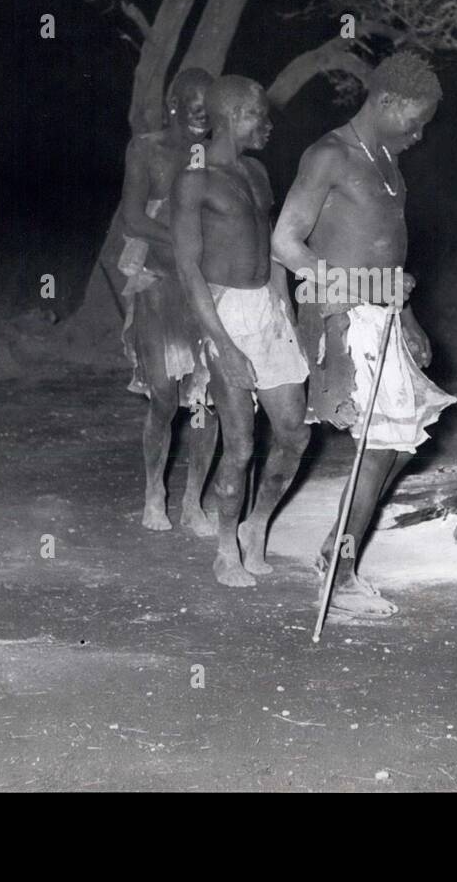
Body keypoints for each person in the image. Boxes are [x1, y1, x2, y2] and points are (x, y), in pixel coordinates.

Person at [272, 52, 455, 621]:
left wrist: (408, 317)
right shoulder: (331, 154)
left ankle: (337, 553)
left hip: (382, 314)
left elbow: (387, 258)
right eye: (415, 121)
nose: (419, 134)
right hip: (345, 315)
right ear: (387, 102)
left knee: (397, 443)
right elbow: (286, 243)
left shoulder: (386, 161)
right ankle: (339, 570)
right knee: (381, 443)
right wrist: (356, 290)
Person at [172, 76, 311, 587]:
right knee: (242, 446)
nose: (267, 125)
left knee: (295, 433)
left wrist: (286, 310)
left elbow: (274, 248)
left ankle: (257, 525)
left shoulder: (256, 172)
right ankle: (225, 547)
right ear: (231, 117)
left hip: (268, 310)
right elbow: (188, 269)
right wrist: (223, 347)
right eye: (258, 116)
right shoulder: (194, 178)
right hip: (223, 310)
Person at [117, 68, 218, 533]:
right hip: (159, 284)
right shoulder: (148, 149)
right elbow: (134, 219)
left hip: (209, 287)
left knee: (207, 400)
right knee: (163, 397)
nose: (203, 117)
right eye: (194, 108)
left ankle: (195, 499)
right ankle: (154, 489)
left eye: (210, 109)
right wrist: (184, 245)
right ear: (175, 105)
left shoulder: (219, 154)